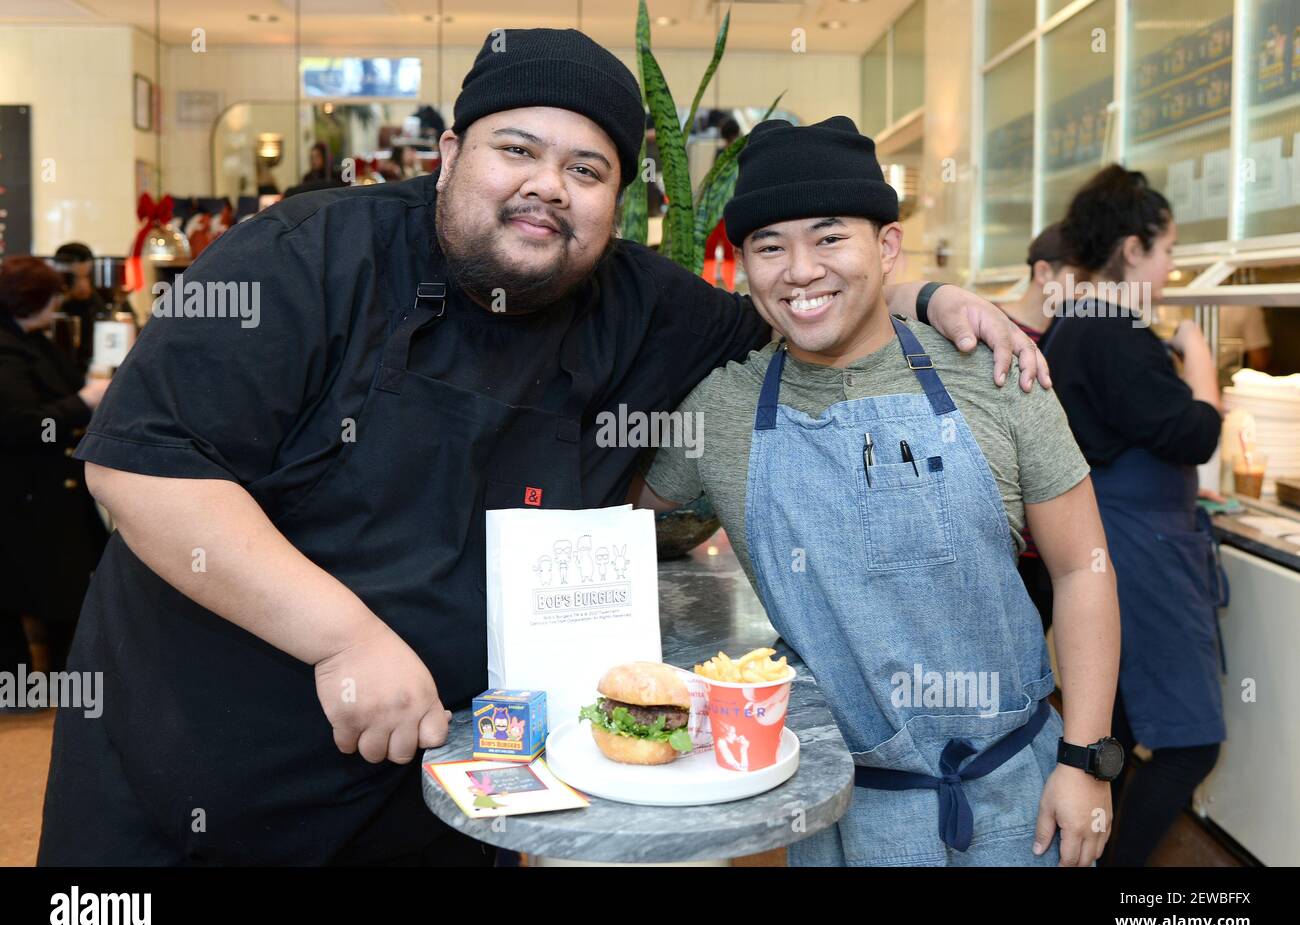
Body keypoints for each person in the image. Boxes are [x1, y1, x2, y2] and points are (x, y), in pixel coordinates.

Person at [37, 29, 1048, 866]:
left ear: (614, 203)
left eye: (585, 168)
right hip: (195, 767)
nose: (547, 188)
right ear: (448, 155)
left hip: (445, 777)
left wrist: (929, 293)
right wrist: (343, 637)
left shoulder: (641, 304)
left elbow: (803, 304)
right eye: (516, 150)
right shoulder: (308, 256)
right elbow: (142, 466)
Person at [634, 117, 1122, 867]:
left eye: (830, 237)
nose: (800, 270)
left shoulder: (993, 372)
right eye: (770, 246)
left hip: (1017, 796)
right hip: (840, 809)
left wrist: (1086, 760)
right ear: (743, 265)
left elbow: (1082, 570)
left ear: (887, 247)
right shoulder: (722, 408)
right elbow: (618, 525)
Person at [1043, 165, 1225, 867]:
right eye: (1169, 249)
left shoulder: (1077, 323)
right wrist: (1199, 357)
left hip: (1111, 535)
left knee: (1107, 726)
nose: (1172, 267)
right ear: (1131, 249)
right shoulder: (1115, 331)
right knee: (1188, 744)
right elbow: (1195, 434)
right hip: (1137, 548)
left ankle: (1079, 855)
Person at [0, 257, 109, 678]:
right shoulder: (12, 353)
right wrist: (81, 404)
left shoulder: (34, 342)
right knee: (47, 589)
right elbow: (20, 424)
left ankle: (55, 680)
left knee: (59, 587)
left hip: (48, 487)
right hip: (27, 491)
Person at [996, 223, 1073, 632]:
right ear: (1044, 272)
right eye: (1081, 278)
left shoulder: (1076, 338)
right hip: (1011, 549)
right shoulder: (993, 335)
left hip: (1058, 546)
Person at [52, 242, 110, 373]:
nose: (83, 285)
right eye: (75, 278)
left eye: (87, 276)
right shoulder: (51, 301)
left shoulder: (104, 294)